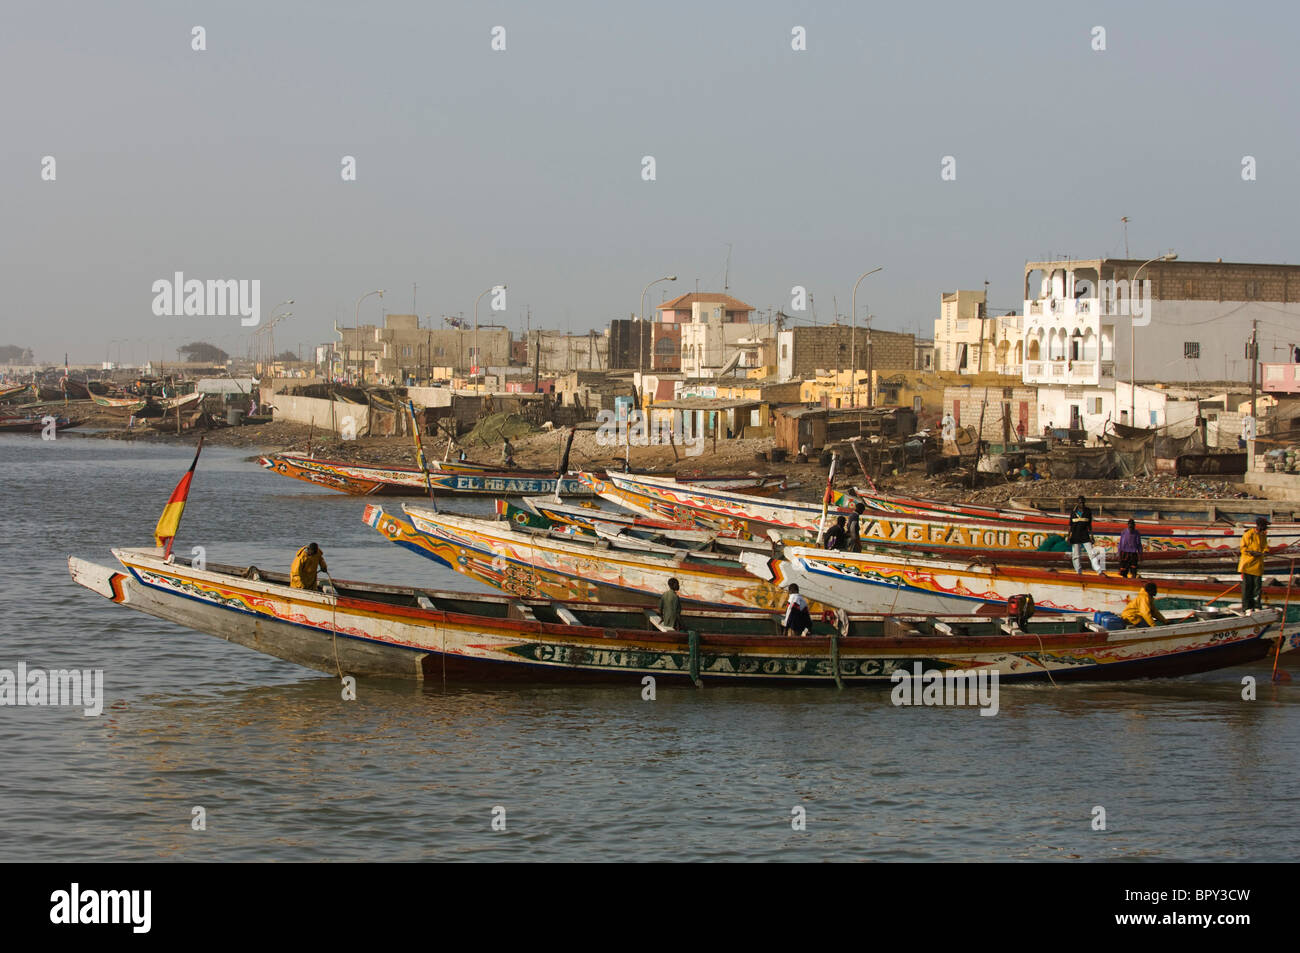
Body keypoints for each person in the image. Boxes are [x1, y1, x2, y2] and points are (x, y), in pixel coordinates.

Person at [1239, 517, 1269, 610]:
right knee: (1247, 588)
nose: (1266, 528)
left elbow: (1265, 547)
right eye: (1265, 526)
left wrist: (1265, 552)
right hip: (1247, 565)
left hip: (1258, 566)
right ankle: (1247, 607)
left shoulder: (1263, 535)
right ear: (1259, 525)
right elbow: (1243, 548)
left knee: (1257, 589)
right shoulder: (1248, 534)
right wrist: (1251, 553)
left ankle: (1256, 606)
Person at [1069, 495, 1103, 574]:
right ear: (1078, 503)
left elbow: (1089, 525)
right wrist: (1069, 537)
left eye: (1083, 503)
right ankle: (1078, 572)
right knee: (1076, 556)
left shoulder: (1088, 511)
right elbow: (1070, 526)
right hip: (1075, 535)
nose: (1082, 504)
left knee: (1092, 554)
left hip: (1085, 535)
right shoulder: (1073, 512)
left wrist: (1091, 536)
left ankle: (1098, 570)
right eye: (1081, 503)